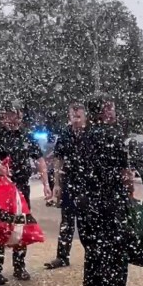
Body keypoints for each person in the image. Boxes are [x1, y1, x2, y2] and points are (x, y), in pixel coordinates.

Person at [0, 100, 51, 286]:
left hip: (20, 190)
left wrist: (46, 184)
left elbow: (40, 160)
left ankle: (19, 266)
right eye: (4, 114)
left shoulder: (26, 137)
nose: (6, 118)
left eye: (11, 114)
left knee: (20, 227)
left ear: (19, 116)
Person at [80, 97, 143, 286]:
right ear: (104, 112)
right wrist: (127, 189)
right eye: (111, 108)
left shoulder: (84, 135)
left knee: (94, 250)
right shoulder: (112, 135)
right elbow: (123, 171)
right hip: (110, 200)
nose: (114, 112)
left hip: (88, 200)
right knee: (115, 251)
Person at [45, 103, 89, 270]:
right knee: (66, 222)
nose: (76, 120)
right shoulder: (65, 134)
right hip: (69, 183)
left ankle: (91, 255)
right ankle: (62, 256)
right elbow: (58, 159)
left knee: (86, 223)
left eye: (79, 116)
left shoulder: (90, 134)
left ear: (85, 117)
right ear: (69, 117)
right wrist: (56, 183)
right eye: (73, 116)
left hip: (87, 184)